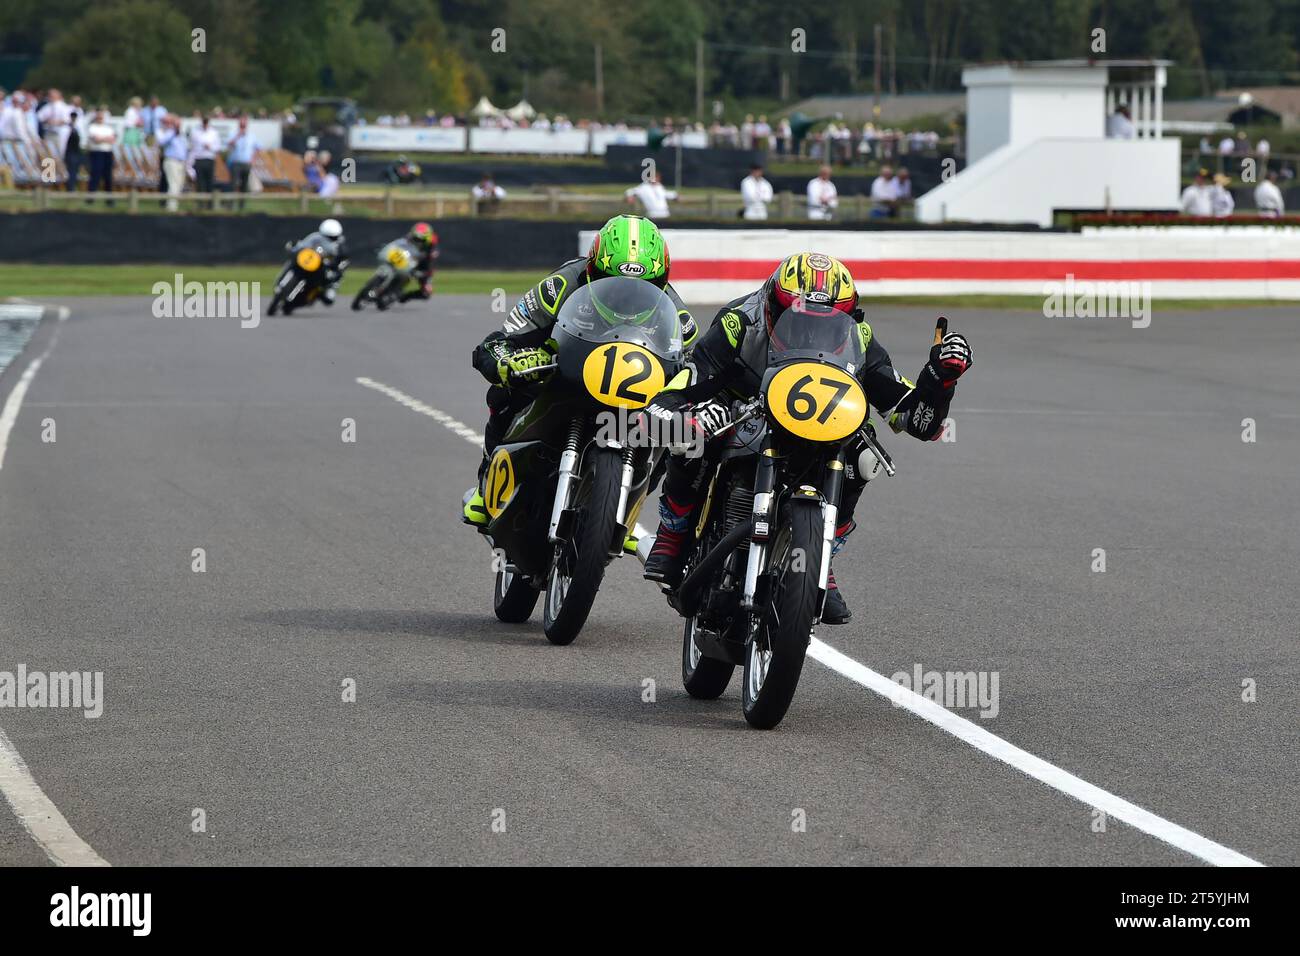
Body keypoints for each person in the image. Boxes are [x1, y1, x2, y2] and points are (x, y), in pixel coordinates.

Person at [640, 252, 973, 624]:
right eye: (795, 319)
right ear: (772, 305)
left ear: (850, 318)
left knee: (863, 458)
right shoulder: (739, 323)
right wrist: (678, 414)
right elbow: (685, 382)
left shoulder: (859, 338)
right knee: (697, 435)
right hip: (743, 407)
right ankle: (674, 532)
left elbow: (913, 417)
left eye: (830, 323)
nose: (812, 333)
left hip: (819, 421)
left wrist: (940, 380)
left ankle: (819, 558)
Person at [462, 215, 698, 526]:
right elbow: (499, 341)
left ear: (661, 282)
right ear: (590, 270)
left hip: (631, 394)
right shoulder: (559, 287)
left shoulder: (678, 317)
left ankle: (627, 506)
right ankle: (487, 480)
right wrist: (510, 361)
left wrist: (683, 394)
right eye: (608, 280)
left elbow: (694, 368)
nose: (625, 296)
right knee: (505, 391)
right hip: (564, 372)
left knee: (673, 428)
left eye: (644, 287)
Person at [285, 218, 349, 305]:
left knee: (330, 283)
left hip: (324, 266)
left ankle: (326, 291)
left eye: (332, 237)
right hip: (310, 260)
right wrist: (294, 248)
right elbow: (303, 245)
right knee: (292, 263)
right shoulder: (315, 237)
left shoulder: (339, 244)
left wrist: (334, 268)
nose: (328, 239)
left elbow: (341, 260)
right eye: (327, 236)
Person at [397, 222, 439, 302]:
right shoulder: (408, 237)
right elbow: (400, 245)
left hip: (424, 266)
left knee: (426, 293)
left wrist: (430, 255)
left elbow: (435, 253)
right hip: (408, 260)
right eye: (416, 238)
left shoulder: (432, 242)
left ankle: (406, 296)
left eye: (421, 239)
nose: (418, 240)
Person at [225, 115, 259, 209]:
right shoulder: (233, 134)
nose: (242, 127)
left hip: (246, 163)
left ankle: (241, 205)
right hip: (235, 163)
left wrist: (253, 159)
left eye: (244, 125)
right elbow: (229, 145)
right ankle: (231, 204)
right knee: (233, 184)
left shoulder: (251, 136)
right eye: (241, 125)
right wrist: (238, 136)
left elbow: (257, 148)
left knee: (244, 185)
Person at [157, 115, 188, 211]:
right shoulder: (169, 132)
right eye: (177, 124)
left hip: (181, 162)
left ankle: (173, 204)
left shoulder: (181, 135)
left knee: (179, 185)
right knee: (173, 184)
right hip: (171, 161)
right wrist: (173, 132)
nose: (179, 126)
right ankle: (171, 207)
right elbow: (161, 142)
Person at [85, 106, 116, 201]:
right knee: (95, 174)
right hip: (96, 152)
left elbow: (112, 140)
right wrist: (105, 139)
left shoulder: (109, 128)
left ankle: (109, 198)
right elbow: (96, 139)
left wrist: (102, 139)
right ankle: (91, 197)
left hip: (107, 152)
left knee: (108, 176)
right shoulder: (92, 127)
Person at [188, 115, 220, 206]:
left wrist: (210, 147)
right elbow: (192, 146)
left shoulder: (214, 132)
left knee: (210, 182)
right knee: (200, 182)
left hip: (209, 159)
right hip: (199, 159)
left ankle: (210, 204)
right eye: (204, 122)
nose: (205, 124)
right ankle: (200, 204)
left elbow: (217, 147)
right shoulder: (195, 132)